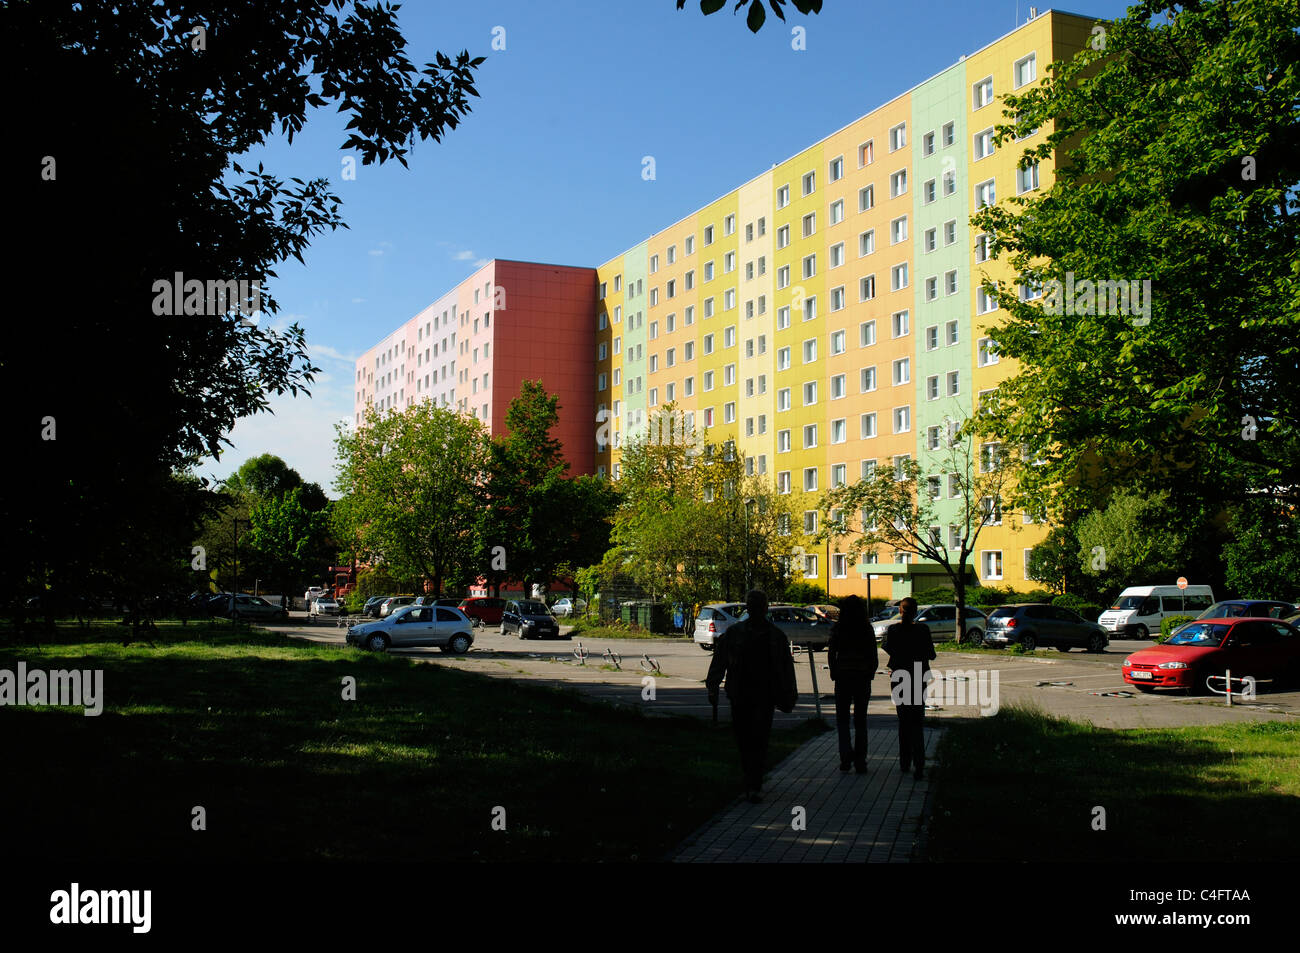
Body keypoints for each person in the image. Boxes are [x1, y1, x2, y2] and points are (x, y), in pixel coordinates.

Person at [706, 589, 798, 803]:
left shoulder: (773, 636)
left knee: (757, 738)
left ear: (763, 608)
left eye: (758, 605)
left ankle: (753, 781)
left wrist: (788, 693)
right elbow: (720, 661)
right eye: (753, 605)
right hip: (742, 693)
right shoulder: (739, 633)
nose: (755, 608)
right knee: (747, 738)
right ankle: (752, 779)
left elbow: (785, 668)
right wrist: (712, 685)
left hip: (761, 695)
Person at [881, 596, 935, 780]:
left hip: (899, 676)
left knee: (903, 720)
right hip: (918, 676)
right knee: (917, 722)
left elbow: (888, 647)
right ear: (916, 611)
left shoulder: (894, 630)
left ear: (900, 611)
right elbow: (931, 654)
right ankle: (919, 763)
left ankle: (905, 761)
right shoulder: (923, 630)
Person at [827, 595, 878, 773]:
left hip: (843, 677)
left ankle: (845, 758)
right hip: (862, 676)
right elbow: (873, 652)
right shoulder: (866, 629)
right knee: (860, 720)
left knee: (842, 720)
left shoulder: (839, 628)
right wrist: (871, 671)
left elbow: (832, 652)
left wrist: (834, 671)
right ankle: (860, 760)